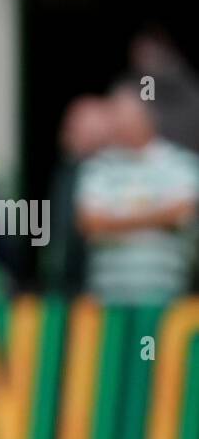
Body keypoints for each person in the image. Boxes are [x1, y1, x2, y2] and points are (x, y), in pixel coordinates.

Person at [76, 86, 199, 306]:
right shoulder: (98, 166)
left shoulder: (180, 163)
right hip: (107, 299)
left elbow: (182, 213)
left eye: (122, 118)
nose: (116, 125)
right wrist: (157, 218)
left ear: (144, 118)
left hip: (166, 297)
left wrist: (115, 220)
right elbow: (90, 223)